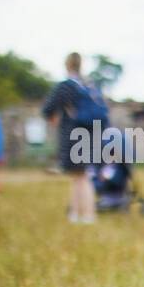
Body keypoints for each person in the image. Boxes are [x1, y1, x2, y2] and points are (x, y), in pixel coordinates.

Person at [41, 52, 101, 223]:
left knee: (79, 177)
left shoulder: (66, 86)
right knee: (80, 176)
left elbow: (47, 109)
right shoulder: (88, 86)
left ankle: (87, 215)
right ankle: (76, 214)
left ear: (67, 65)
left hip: (72, 135)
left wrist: (56, 120)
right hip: (90, 135)